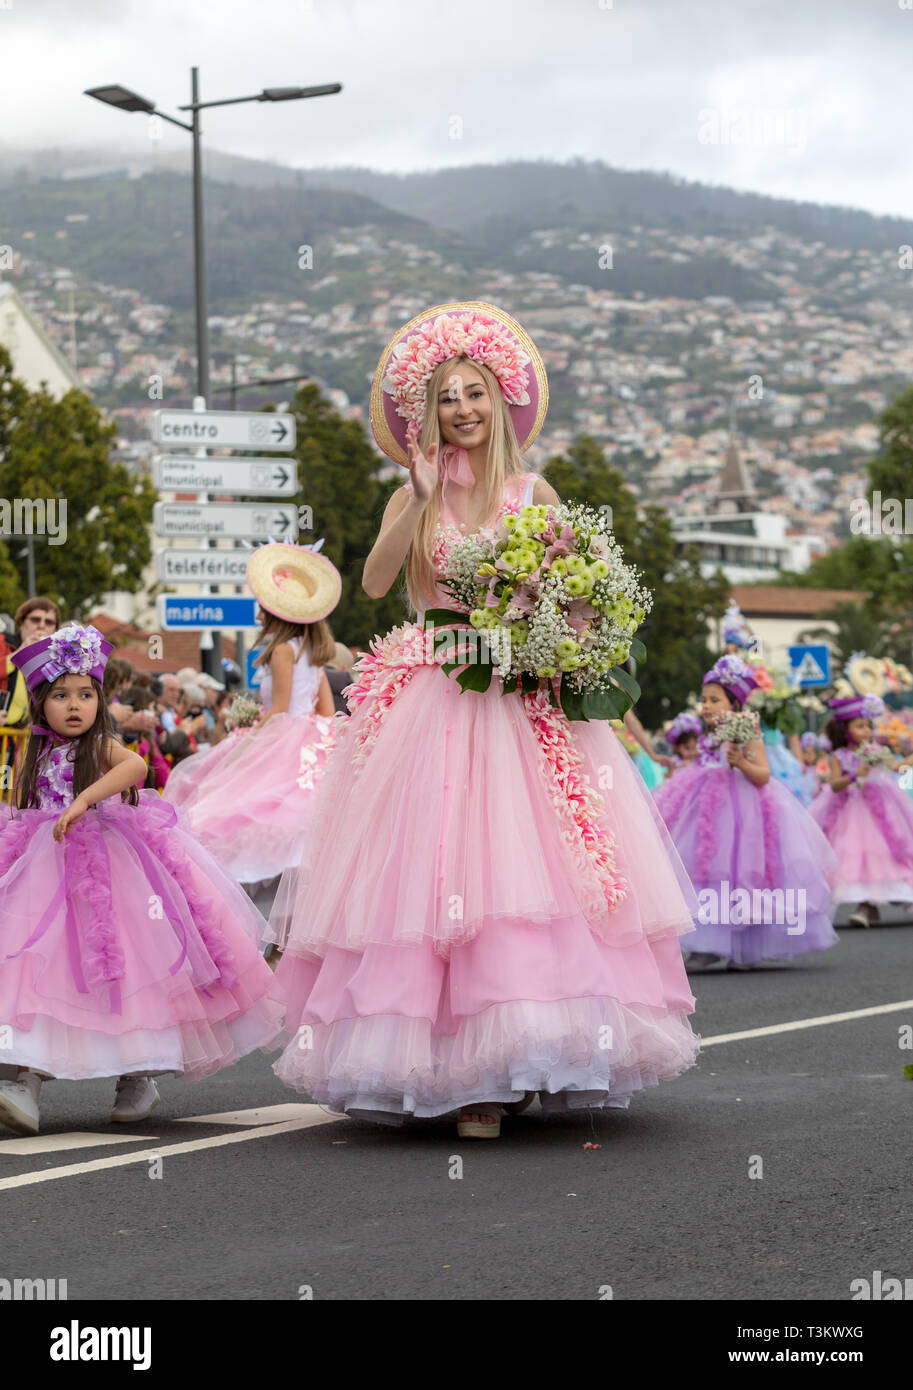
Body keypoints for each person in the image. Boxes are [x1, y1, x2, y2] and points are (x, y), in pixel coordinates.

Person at [267, 300, 699, 1138]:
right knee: (423, 881)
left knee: (533, 879)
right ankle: (465, 1078)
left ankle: (520, 1057)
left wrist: (557, 636)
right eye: (445, 398)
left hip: (520, 702)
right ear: (424, 415)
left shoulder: (532, 491)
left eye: (474, 393)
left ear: (500, 401)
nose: (461, 409)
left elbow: (577, 597)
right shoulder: (413, 492)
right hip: (434, 694)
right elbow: (377, 583)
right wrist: (418, 497)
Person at [0, 622, 283, 1137]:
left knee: (129, 966)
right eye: (61, 695)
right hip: (44, 865)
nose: (74, 705)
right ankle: (25, 1079)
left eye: (85, 694)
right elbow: (24, 806)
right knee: (36, 964)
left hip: (110, 870)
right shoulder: (36, 752)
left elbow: (134, 767)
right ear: (41, 703)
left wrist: (84, 800)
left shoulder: (102, 744)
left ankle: (136, 1075)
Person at [163, 544, 341, 950]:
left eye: (263, 604)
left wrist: (244, 745)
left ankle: (249, 935)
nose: (259, 611)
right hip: (312, 741)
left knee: (241, 815)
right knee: (293, 831)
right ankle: (288, 938)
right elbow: (326, 712)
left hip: (283, 739)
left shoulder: (281, 649)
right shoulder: (313, 652)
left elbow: (278, 711)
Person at [654, 655, 838, 971]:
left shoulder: (747, 731)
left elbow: (763, 774)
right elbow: (704, 764)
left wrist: (741, 761)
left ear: (735, 705)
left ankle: (745, 945)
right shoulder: (707, 735)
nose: (707, 706)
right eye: (704, 700)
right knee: (703, 869)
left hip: (745, 811)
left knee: (744, 875)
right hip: (707, 809)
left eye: (715, 700)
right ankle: (706, 942)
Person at [809, 695, 913, 928]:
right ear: (845, 729)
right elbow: (834, 784)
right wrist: (856, 774)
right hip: (849, 808)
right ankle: (866, 905)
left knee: (886, 849)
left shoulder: (875, 750)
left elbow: (896, 766)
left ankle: (875, 904)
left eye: (868, 726)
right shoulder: (838, 756)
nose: (866, 731)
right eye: (859, 726)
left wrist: (909, 760)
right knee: (856, 852)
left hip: (881, 807)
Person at [661, 712, 701, 777]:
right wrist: (679, 768)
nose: (691, 752)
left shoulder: (698, 761)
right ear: (677, 747)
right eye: (687, 748)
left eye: (694, 748)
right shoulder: (673, 763)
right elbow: (667, 778)